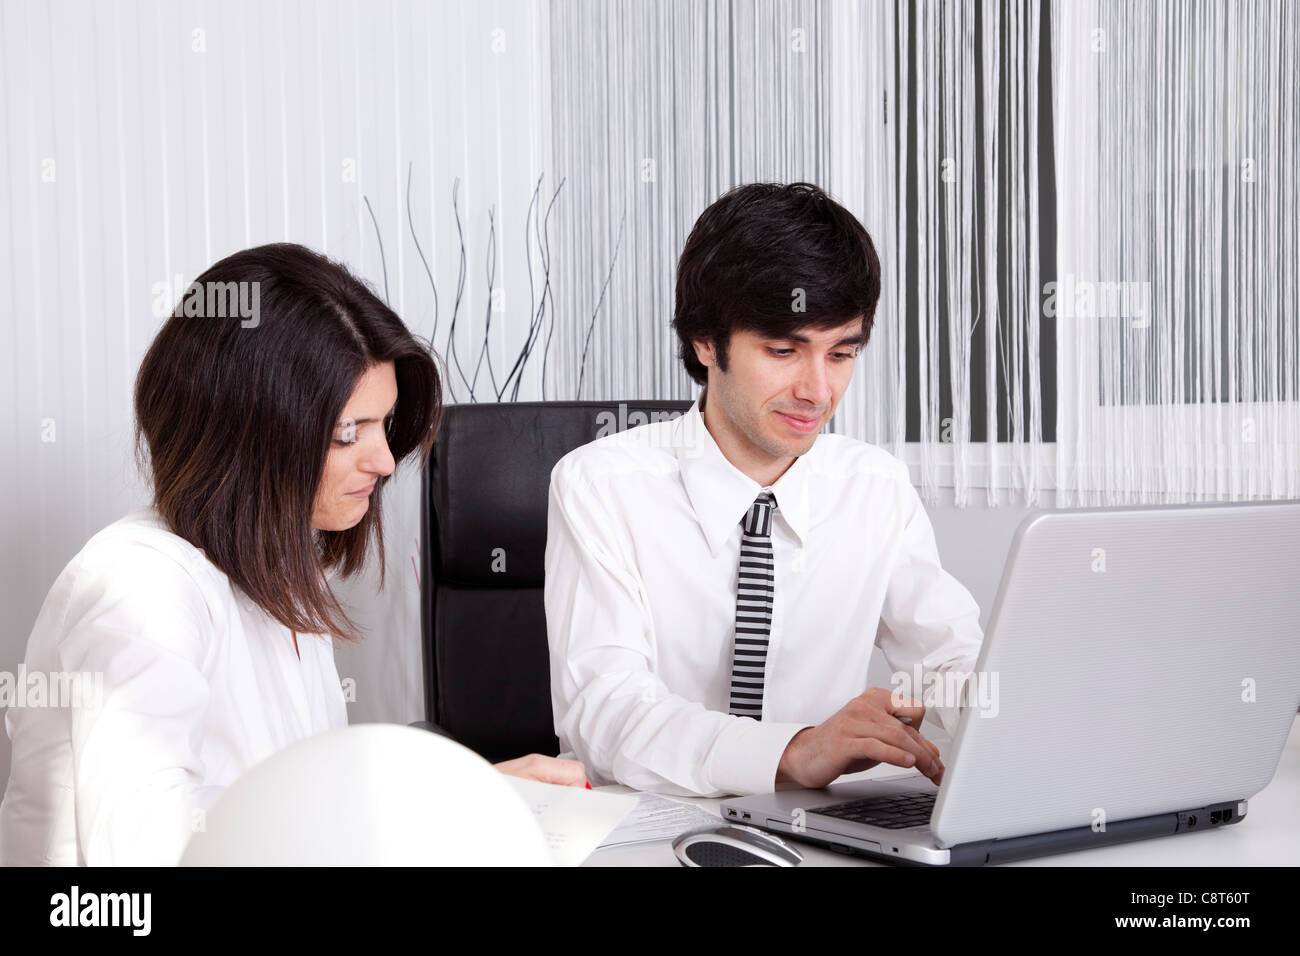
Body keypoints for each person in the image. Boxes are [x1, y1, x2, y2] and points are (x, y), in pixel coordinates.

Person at [0, 243, 584, 866]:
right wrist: (420, 810)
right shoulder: (138, 584)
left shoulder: (276, 575)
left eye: (383, 426)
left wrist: (471, 795)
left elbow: (304, 798)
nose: (385, 462)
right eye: (346, 433)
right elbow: (148, 849)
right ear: (244, 435)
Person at [544, 182, 984, 797]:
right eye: (784, 350)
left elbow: (949, 659)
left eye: (841, 354)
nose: (817, 391)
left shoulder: (873, 487)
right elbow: (607, 712)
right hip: (644, 827)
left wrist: (1025, 711)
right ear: (705, 341)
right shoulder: (600, 486)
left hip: (820, 831)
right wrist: (791, 751)